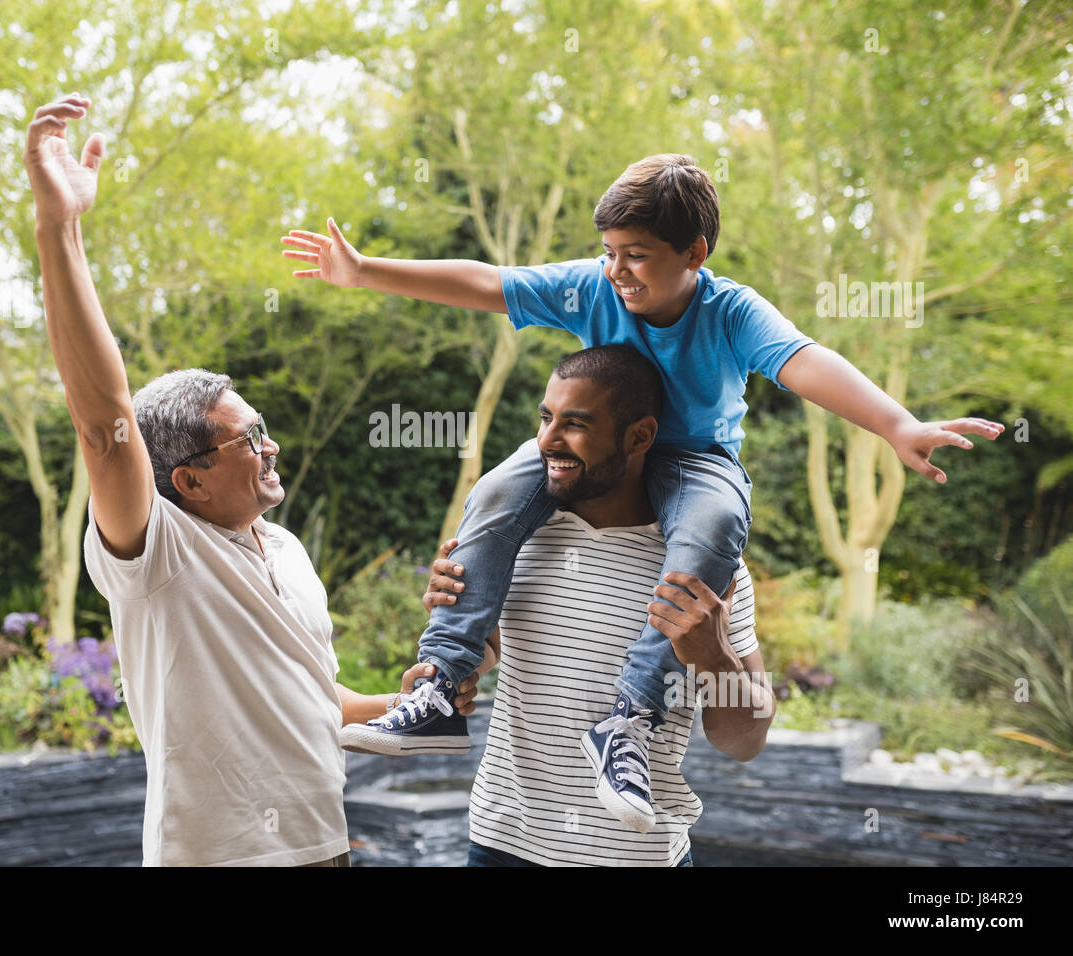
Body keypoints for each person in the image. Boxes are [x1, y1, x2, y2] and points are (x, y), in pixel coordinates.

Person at [283, 154, 1004, 833]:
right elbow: (490, 283)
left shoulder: (731, 311)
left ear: (694, 252)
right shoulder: (593, 287)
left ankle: (629, 718)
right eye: (609, 251)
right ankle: (440, 683)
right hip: (596, 452)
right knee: (497, 489)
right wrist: (365, 271)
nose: (616, 270)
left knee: (715, 523)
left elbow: (805, 361)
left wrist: (896, 424)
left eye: (636, 254)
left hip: (694, 462)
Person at [24, 93, 480, 866]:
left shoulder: (288, 551)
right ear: (190, 480)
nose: (271, 448)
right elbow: (104, 423)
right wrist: (58, 228)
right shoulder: (157, 552)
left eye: (262, 428)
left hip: (324, 848)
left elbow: (316, 703)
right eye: (248, 439)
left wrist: (418, 703)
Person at [427, 345, 774, 865]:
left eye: (575, 424)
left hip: (635, 856)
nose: (547, 440)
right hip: (501, 845)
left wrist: (713, 658)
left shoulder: (706, 569)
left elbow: (744, 742)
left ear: (639, 436)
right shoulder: (514, 537)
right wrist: (452, 646)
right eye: (545, 418)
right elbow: (492, 652)